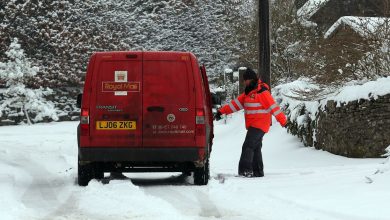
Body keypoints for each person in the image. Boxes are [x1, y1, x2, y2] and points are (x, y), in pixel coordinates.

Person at [215, 68, 287, 178]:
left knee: (248, 146)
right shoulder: (248, 93)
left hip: (260, 125)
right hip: (253, 125)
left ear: (251, 79)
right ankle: (258, 172)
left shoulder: (262, 92)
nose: (244, 82)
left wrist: (284, 121)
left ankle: (245, 171)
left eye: (245, 80)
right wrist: (221, 111)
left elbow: (274, 108)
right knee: (255, 148)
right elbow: (235, 104)